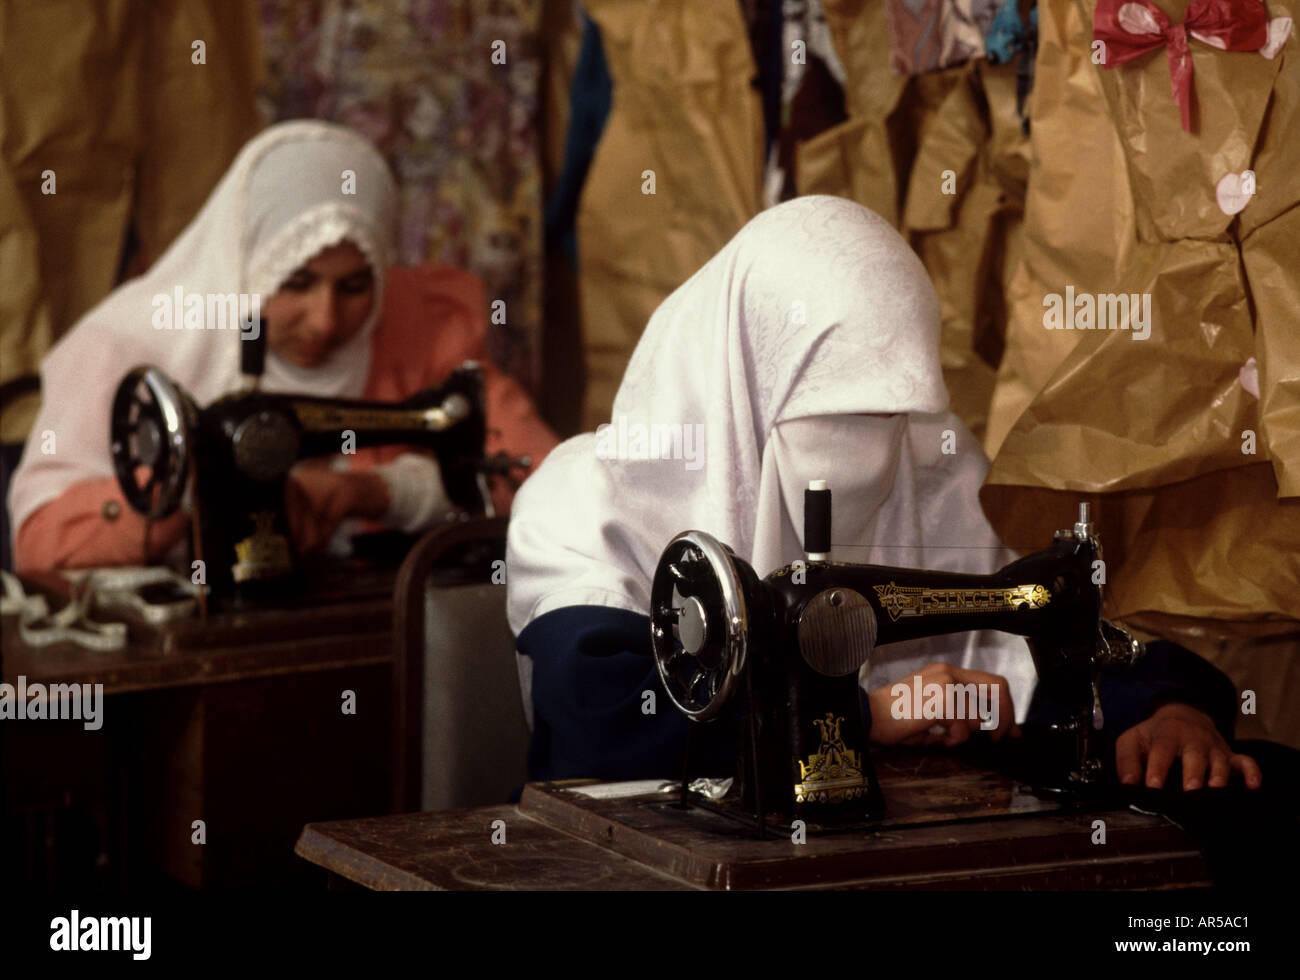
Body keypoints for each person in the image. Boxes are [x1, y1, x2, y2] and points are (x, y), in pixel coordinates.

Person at [506, 194, 1260, 794]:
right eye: (826, 416)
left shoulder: (932, 471)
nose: (861, 452)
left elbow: (1050, 638)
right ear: (745, 376)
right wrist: (867, 715)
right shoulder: (588, 502)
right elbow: (599, 722)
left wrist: (1170, 708)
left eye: (885, 415)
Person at [8, 120, 557, 572]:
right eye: (294, 283)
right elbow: (41, 546)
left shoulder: (420, 322)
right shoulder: (128, 345)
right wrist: (199, 493)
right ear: (245, 267)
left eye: (355, 286)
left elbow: (547, 481)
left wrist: (380, 491)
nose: (324, 321)